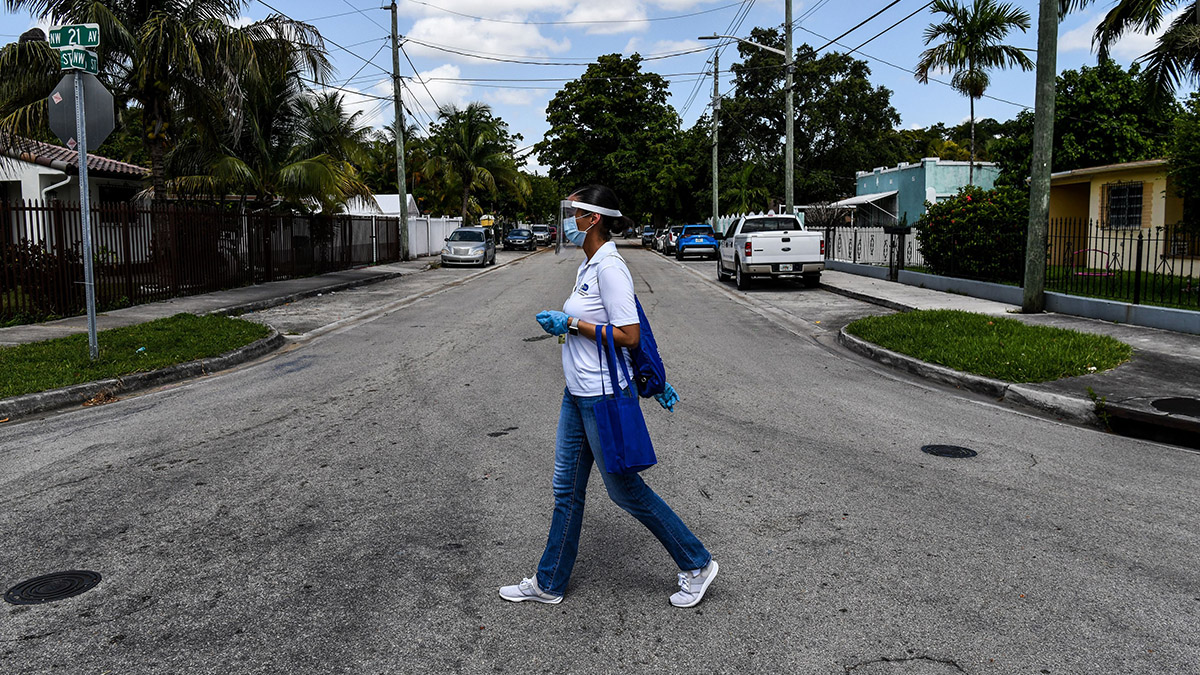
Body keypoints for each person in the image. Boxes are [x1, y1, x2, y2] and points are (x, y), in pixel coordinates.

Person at [499, 184, 718, 608]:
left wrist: (571, 325)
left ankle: (697, 563)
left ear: (593, 218)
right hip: (577, 395)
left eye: (573, 213)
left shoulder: (610, 268)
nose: (568, 221)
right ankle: (549, 583)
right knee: (566, 489)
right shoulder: (588, 266)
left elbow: (630, 335)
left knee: (624, 491)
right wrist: (571, 323)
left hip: (602, 398)